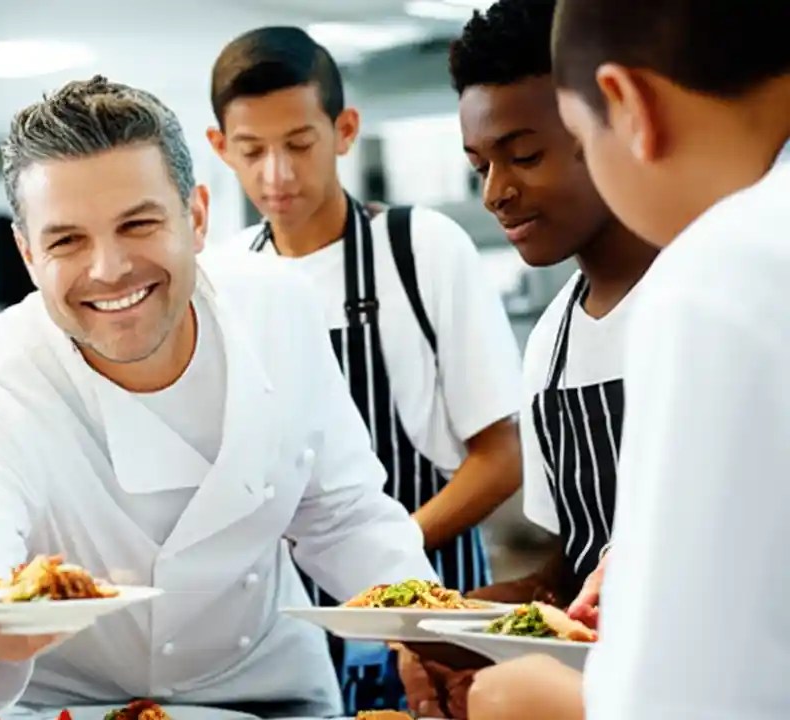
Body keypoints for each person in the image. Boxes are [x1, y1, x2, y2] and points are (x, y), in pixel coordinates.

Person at [0, 75, 437, 720]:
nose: (108, 268)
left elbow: (342, 514)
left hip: (268, 698)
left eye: (138, 224)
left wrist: (422, 634)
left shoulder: (278, 307)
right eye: (66, 240)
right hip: (62, 709)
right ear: (27, 254)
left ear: (196, 217)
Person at [469, 0, 790, 718]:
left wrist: (539, 698)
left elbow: (683, 702)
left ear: (627, 103)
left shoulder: (721, 270)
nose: (498, 191)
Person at [204, 25, 524, 711]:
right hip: (285, 619)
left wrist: (381, 560)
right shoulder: (223, 279)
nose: (277, 175)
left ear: (344, 130)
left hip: (430, 597)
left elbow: (502, 457)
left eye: (299, 144)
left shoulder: (421, 248)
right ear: (218, 149)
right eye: (252, 151)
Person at [393, 1, 658, 715]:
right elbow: (571, 571)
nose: (496, 193)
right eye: (480, 165)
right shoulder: (551, 342)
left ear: (608, 120)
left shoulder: (707, 298)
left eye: (525, 155)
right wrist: (451, 629)